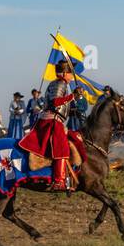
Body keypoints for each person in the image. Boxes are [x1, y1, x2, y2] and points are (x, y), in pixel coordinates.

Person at [19, 60, 82, 192]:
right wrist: (73, 96)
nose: (72, 76)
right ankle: (59, 181)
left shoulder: (62, 84)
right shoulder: (59, 83)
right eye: (70, 73)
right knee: (62, 148)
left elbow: (61, 105)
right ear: (64, 73)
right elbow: (55, 102)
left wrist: (73, 104)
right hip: (51, 121)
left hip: (55, 119)